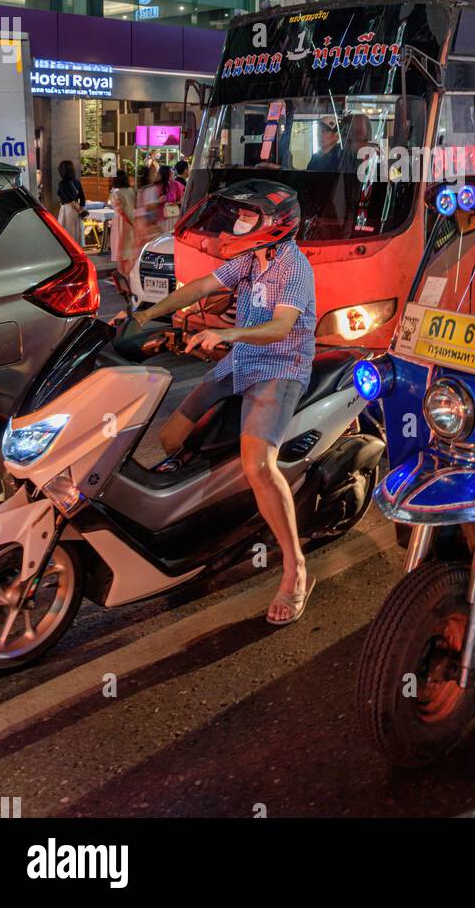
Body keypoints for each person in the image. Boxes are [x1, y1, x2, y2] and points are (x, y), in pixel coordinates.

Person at [130, 181, 317, 625]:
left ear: (276, 223)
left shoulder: (294, 268)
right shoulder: (251, 260)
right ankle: (215, 512)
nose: (240, 223)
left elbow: (278, 328)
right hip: (241, 360)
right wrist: (142, 315)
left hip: (280, 367)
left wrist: (227, 334)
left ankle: (295, 569)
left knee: (259, 466)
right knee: (171, 437)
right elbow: (198, 287)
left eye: (250, 217)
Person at [107, 171, 137, 278]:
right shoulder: (131, 190)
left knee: (120, 247)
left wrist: (128, 221)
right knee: (129, 248)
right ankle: (129, 273)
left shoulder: (116, 192)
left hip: (121, 221)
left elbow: (120, 211)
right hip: (132, 218)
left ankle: (122, 274)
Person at [56, 159, 86, 245]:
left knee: (67, 232)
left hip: (67, 209)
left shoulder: (62, 183)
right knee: (76, 231)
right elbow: (83, 198)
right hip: (77, 210)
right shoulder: (77, 182)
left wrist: (75, 207)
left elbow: (68, 199)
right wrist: (81, 209)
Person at [135, 165, 162, 249]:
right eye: (152, 173)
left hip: (140, 220)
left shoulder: (140, 189)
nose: (154, 175)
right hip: (148, 221)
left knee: (142, 244)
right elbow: (149, 206)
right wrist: (159, 201)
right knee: (151, 244)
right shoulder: (151, 189)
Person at [156, 162, 185, 231]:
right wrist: (158, 201)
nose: (172, 173)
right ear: (168, 174)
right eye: (171, 172)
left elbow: (182, 199)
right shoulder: (157, 186)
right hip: (161, 217)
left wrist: (175, 203)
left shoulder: (176, 184)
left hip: (173, 215)